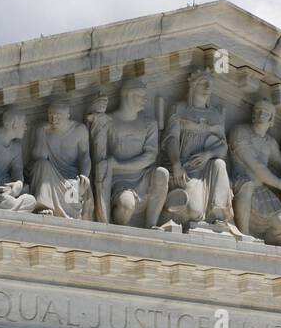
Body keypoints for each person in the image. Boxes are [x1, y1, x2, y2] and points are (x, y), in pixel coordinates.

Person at [95, 79, 169, 228]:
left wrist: (119, 165)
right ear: (128, 96)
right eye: (140, 96)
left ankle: (151, 225)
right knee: (127, 205)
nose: (145, 100)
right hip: (118, 181)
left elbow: (150, 156)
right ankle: (117, 230)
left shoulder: (149, 124)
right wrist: (96, 114)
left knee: (162, 174)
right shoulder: (108, 120)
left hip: (143, 177)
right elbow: (97, 150)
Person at [162, 72, 233, 228]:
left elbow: (223, 147)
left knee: (219, 164)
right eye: (203, 83)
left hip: (206, 169)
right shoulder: (179, 109)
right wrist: (176, 164)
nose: (208, 87)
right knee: (194, 211)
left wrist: (208, 154)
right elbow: (171, 139)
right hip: (185, 169)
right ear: (192, 86)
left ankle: (219, 216)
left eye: (210, 84)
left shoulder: (215, 114)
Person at [229, 98, 281, 243]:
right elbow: (254, 165)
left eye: (265, 112)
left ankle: (262, 245)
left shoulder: (270, 142)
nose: (260, 114)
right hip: (238, 184)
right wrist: (280, 184)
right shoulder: (240, 132)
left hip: (260, 191)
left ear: (271, 119)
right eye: (257, 111)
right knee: (247, 185)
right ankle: (244, 234)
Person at [30, 99, 92, 218]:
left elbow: (84, 156)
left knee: (74, 185)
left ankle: (72, 214)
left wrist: (84, 176)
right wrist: (41, 132)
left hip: (71, 176)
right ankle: (44, 206)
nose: (53, 119)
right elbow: (40, 156)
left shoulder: (79, 130)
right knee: (42, 165)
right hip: (49, 176)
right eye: (50, 115)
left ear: (68, 115)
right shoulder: (44, 130)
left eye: (58, 116)